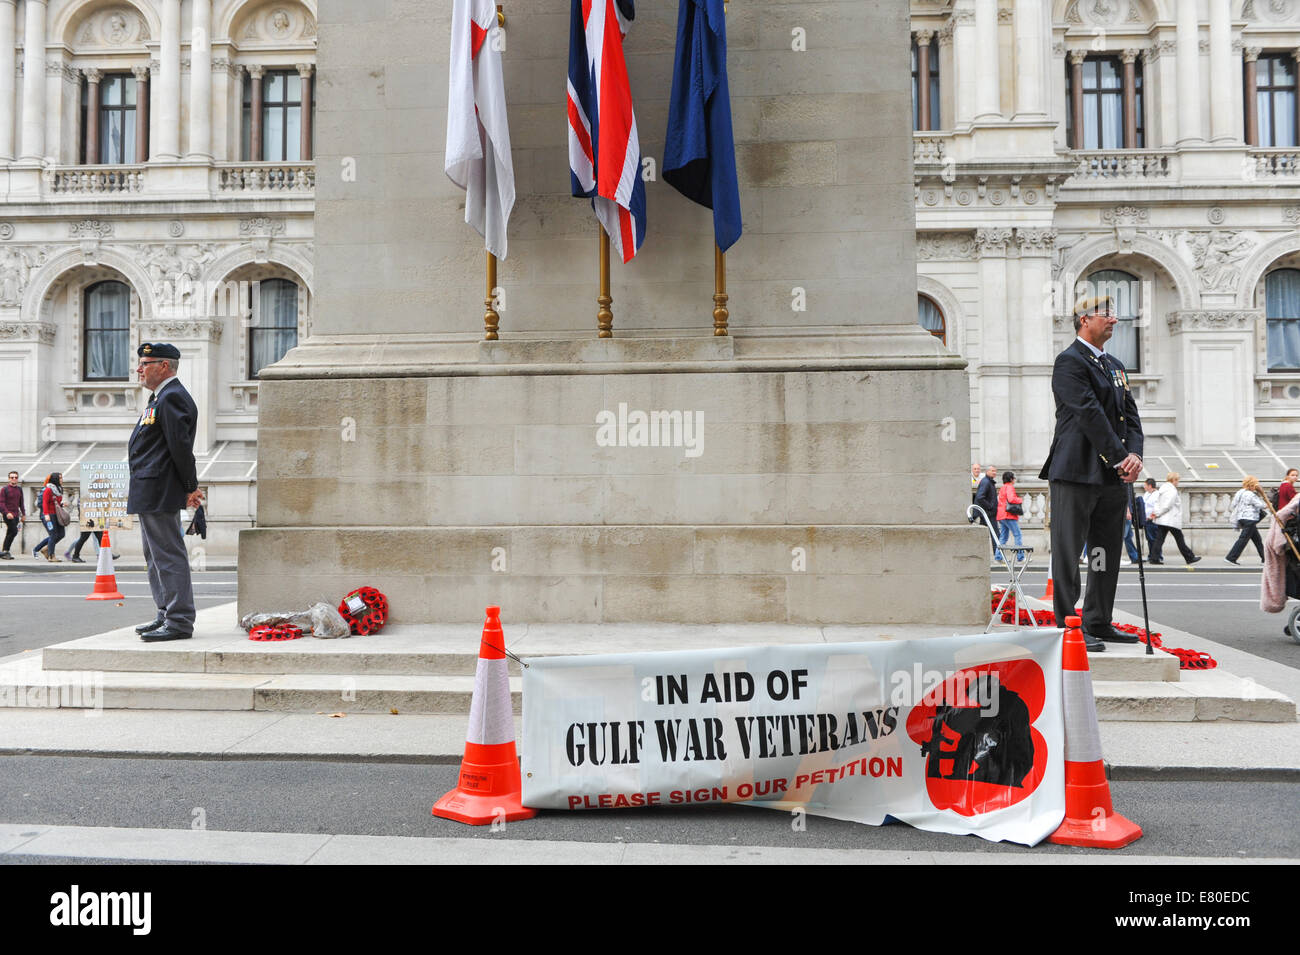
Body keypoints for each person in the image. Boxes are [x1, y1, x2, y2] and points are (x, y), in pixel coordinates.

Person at [1039, 295, 1144, 652]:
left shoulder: (1115, 364)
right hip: (1075, 470)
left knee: (1105, 550)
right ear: (1084, 319)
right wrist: (1119, 456)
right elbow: (1087, 413)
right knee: (1068, 551)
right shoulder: (1068, 362)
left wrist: (1134, 455)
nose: (1114, 320)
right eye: (1106, 315)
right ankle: (1070, 625)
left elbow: (1131, 416)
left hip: (1111, 475)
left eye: (1114, 315)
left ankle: (1098, 619)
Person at [128, 343, 202, 642]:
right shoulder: (160, 398)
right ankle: (166, 613)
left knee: (168, 555)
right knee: (155, 556)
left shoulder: (172, 398)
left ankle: (179, 620)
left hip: (159, 488)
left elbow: (180, 447)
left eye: (145, 363)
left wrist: (190, 486)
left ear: (164, 366)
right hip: (149, 488)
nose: (139, 369)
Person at [1148, 472, 1201, 567]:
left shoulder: (1162, 489)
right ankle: (1189, 557)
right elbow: (1167, 505)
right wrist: (1158, 513)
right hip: (1171, 519)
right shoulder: (1172, 491)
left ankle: (1154, 558)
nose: (1178, 482)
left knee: (1159, 539)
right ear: (1174, 480)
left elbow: (1157, 503)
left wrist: (1157, 513)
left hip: (1164, 520)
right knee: (1179, 539)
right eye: (1177, 480)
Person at [1225, 477, 1267, 565]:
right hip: (1250, 519)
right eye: (1255, 485)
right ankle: (1231, 558)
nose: (1256, 487)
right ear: (1251, 485)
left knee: (1257, 539)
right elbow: (1261, 505)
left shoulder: (1240, 492)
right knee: (1243, 539)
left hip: (1242, 518)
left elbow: (1233, 504)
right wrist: (1268, 504)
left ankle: (1265, 559)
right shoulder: (1250, 494)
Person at [32, 472, 66, 562]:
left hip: (57, 515)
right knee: (53, 535)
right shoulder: (48, 489)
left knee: (61, 534)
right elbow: (45, 503)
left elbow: (55, 503)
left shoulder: (59, 489)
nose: (62, 480)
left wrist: (62, 504)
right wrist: (46, 515)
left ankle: (45, 549)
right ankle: (51, 555)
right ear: (55, 479)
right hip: (49, 515)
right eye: (60, 478)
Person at [995, 471, 1024, 561]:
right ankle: (1020, 557)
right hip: (1008, 515)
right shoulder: (1010, 487)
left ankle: (998, 557)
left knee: (1003, 537)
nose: (1014, 480)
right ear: (1011, 479)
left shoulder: (1002, 488)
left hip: (1001, 515)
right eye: (1014, 478)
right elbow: (1011, 499)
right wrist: (1020, 500)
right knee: (1017, 535)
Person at [974, 465, 998, 553]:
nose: (994, 472)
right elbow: (980, 497)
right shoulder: (986, 482)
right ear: (987, 472)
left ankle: (980, 553)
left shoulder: (989, 481)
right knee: (995, 534)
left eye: (995, 471)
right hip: (989, 514)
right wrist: (990, 506)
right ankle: (998, 556)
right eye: (992, 471)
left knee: (983, 534)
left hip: (987, 513)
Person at [1, 470, 23, 559]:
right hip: (8, 515)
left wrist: (24, 514)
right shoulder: (4, 489)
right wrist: (7, 513)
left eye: (15, 477)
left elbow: (21, 503)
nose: (14, 479)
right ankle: (5, 551)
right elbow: (1, 503)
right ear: (9, 479)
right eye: (12, 477)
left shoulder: (19, 489)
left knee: (10, 532)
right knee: (14, 531)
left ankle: (5, 552)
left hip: (16, 515)